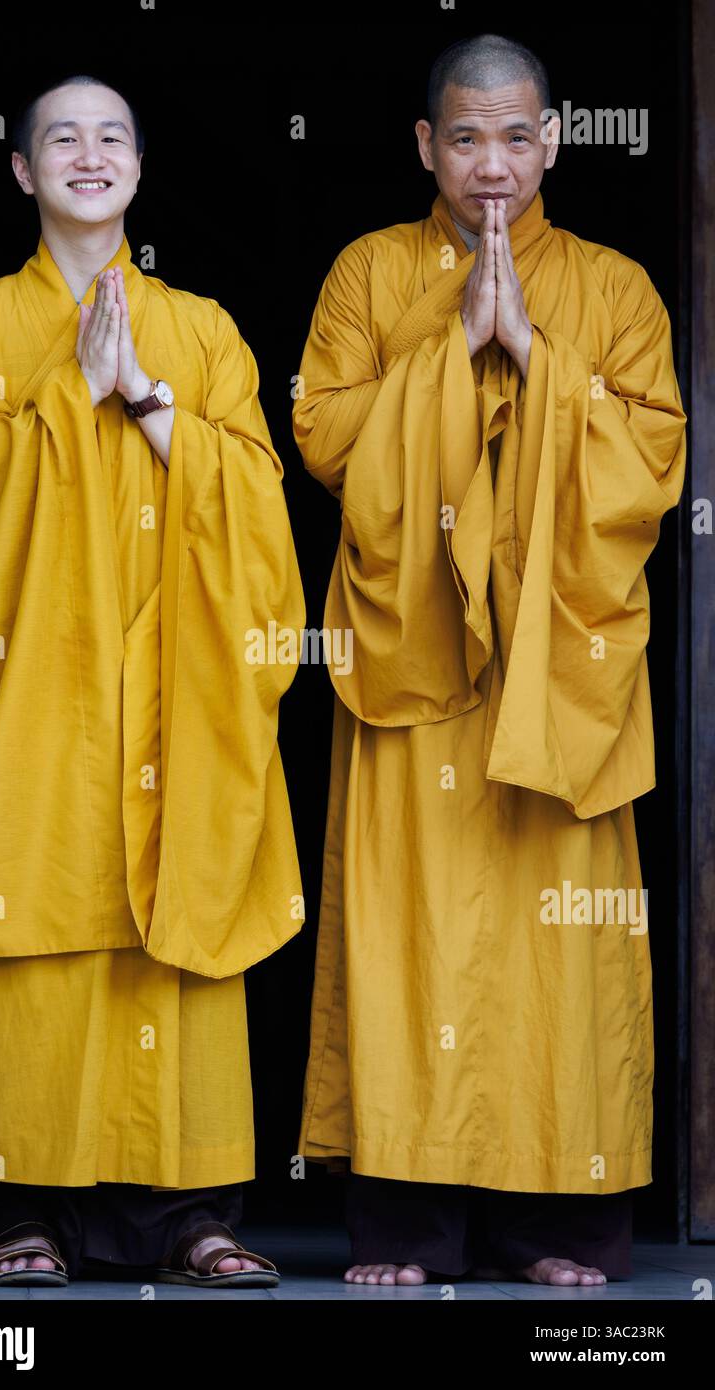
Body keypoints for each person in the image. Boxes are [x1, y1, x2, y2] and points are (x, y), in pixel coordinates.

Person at [292, 33, 686, 1287]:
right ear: (426, 145)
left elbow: (656, 459)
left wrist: (539, 359)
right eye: (465, 136)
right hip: (416, 657)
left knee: (553, 953)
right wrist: (451, 349)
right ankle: (404, 1229)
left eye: (516, 135)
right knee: (407, 938)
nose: (492, 163)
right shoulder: (369, 272)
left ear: (554, 140)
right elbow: (321, 436)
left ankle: (557, 1230)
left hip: (553, 673)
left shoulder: (614, 288)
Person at [0, 72, 305, 1288]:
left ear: (136, 168)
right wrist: (65, 390)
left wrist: (143, 397)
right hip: (37, 695)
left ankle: (191, 1216)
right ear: (22, 171)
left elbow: (260, 515)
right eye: (61, 138)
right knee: (38, 916)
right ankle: (17, 1214)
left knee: (172, 922)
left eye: (112, 136)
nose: (90, 154)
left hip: (178, 689)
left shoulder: (205, 330)